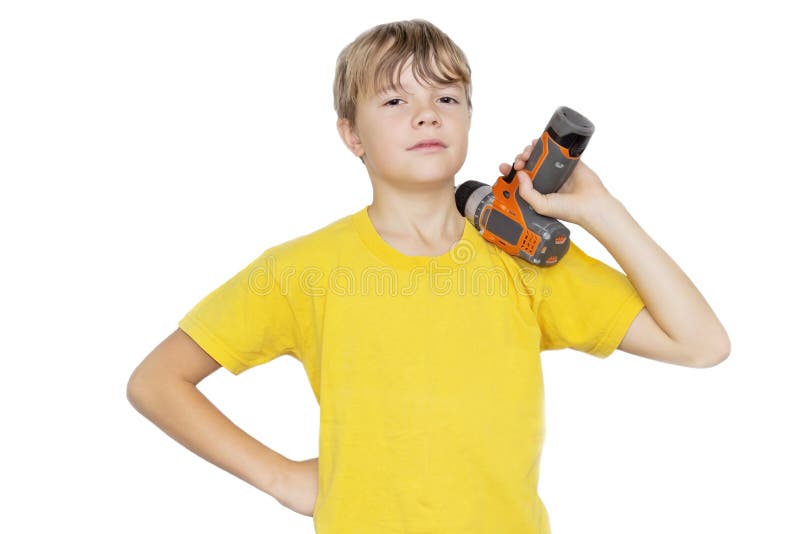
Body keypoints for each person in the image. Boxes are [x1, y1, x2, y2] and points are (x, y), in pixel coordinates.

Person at [127, 18, 730, 534]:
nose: (425, 116)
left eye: (447, 98)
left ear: (469, 118)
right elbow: (157, 381)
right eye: (394, 101)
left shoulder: (521, 254)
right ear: (351, 135)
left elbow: (701, 344)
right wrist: (281, 478)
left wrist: (601, 210)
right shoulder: (302, 270)